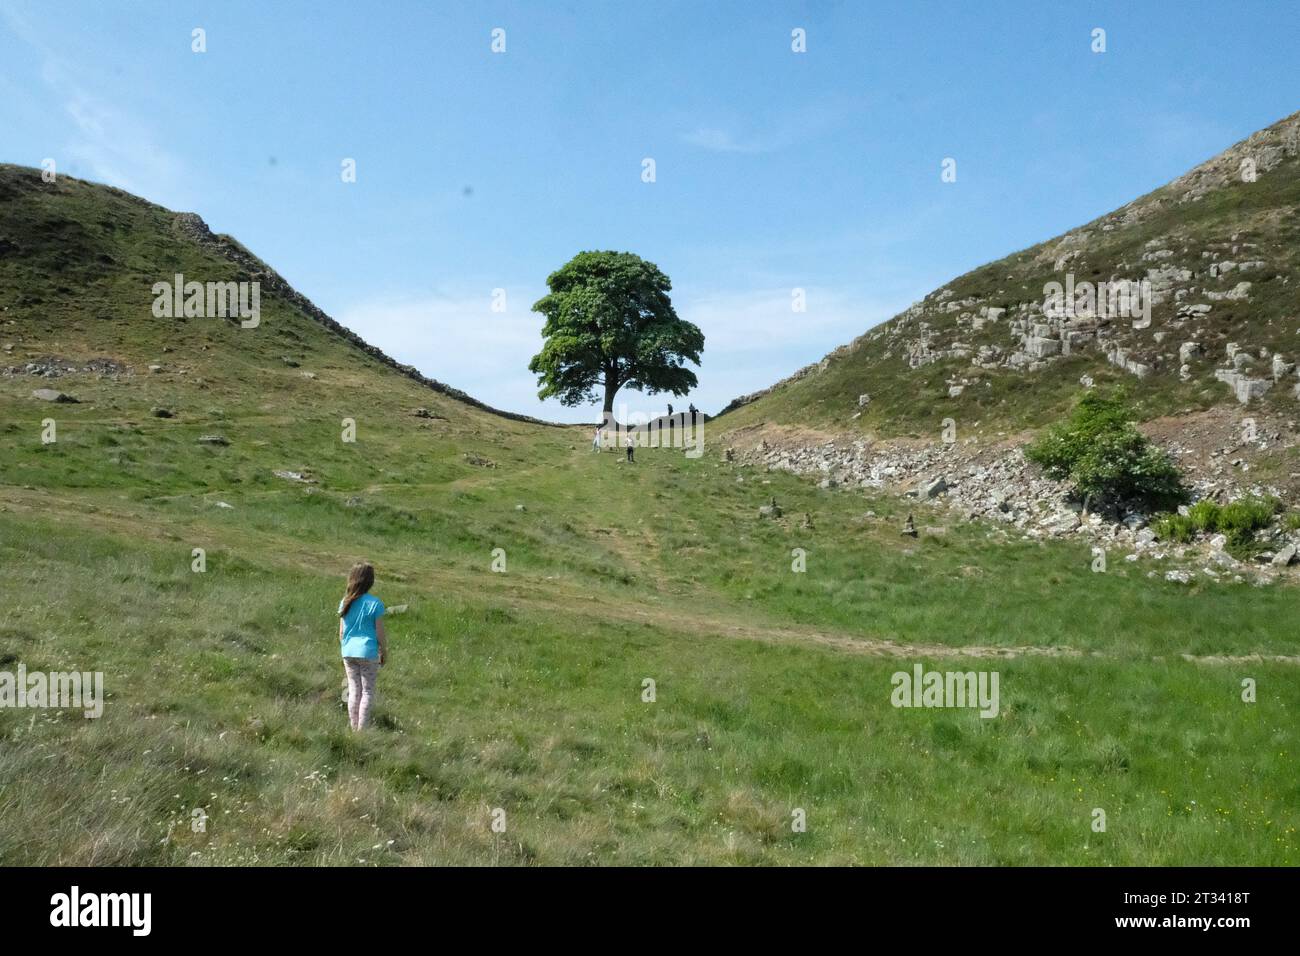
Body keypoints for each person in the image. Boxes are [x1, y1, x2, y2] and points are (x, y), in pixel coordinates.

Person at [337, 562, 387, 731]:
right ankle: (362, 731)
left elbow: (341, 633)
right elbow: (379, 633)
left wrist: (345, 648)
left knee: (354, 690)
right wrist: (384, 651)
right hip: (368, 651)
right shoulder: (375, 604)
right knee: (367, 692)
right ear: (370, 581)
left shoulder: (345, 601)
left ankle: (353, 727)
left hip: (348, 651)